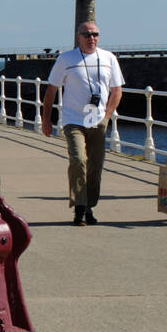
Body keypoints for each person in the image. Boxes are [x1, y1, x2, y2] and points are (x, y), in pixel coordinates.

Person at [42, 21, 125, 226]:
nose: (91, 38)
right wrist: (46, 120)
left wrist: (106, 116)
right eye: (87, 34)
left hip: (98, 121)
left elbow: (117, 90)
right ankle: (79, 207)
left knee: (95, 167)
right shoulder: (66, 59)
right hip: (73, 120)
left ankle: (89, 207)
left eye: (95, 34)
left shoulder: (108, 58)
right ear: (78, 37)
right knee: (78, 160)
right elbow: (52, 89)